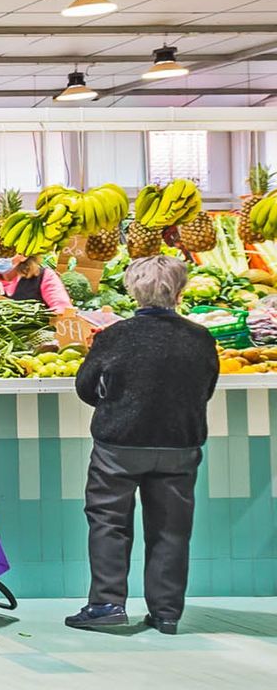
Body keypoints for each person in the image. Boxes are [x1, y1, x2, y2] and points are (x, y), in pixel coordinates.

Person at [66, 252, 218, 636]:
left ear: (133, 289)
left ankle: (106, 604)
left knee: (108, 522)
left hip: (119, 444)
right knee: (171, 528)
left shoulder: (115, 335)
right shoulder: (200, 338)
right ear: (180, 290)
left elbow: (86, 386)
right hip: (179, 446)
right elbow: (207, 388)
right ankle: (166, 613)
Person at [0, 244, 67, 309]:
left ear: (24, 255)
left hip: (33, 335)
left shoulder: (44, 277)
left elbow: (62, 310)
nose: (0, 259)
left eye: (7, 255)